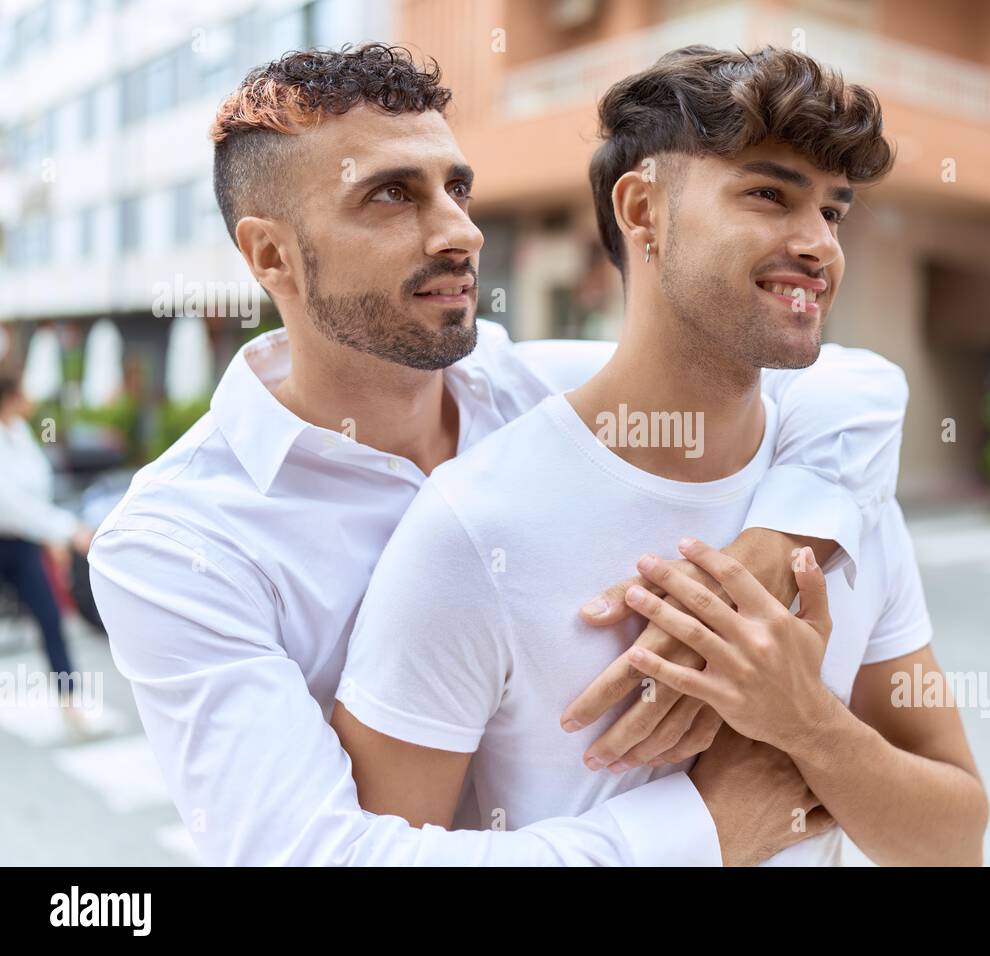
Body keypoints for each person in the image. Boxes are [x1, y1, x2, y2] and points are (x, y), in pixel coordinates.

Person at [87, 44, 907, 866]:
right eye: (391, 196)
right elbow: (310, 856)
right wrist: (704, 830)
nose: (460, 231)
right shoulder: (176, 544)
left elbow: (853, 389)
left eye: (457, 187)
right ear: (271, 256)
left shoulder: (533, 390)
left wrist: (770, 550)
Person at [332, 45, 989, 866]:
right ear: (642, 211)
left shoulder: (839, 505)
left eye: (833, 212)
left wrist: (807, 724)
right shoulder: (472, 529)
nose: (819, 245)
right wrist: (703, 830)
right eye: (769, 196)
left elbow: (955, 843)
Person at [0, 371, 100, 738]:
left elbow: (33, 494)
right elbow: (9, 503)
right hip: (12, 534)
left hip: (23, 542)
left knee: (49, 618)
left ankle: (72, 703)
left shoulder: (20, 432)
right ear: (10, 395)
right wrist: (65, 530)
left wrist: (50, 535)